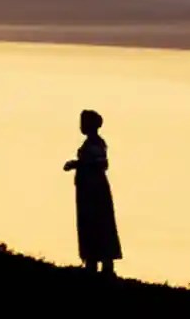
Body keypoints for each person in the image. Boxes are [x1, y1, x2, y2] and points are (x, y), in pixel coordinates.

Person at [63, 109, 122, 275]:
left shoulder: (96, 144)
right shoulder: (92, 143)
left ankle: (101, 262)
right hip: (88, 190)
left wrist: (78, 165)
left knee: (98, 223)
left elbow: (101, 164)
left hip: (95, 191)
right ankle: (92, 260)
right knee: (90, 224)